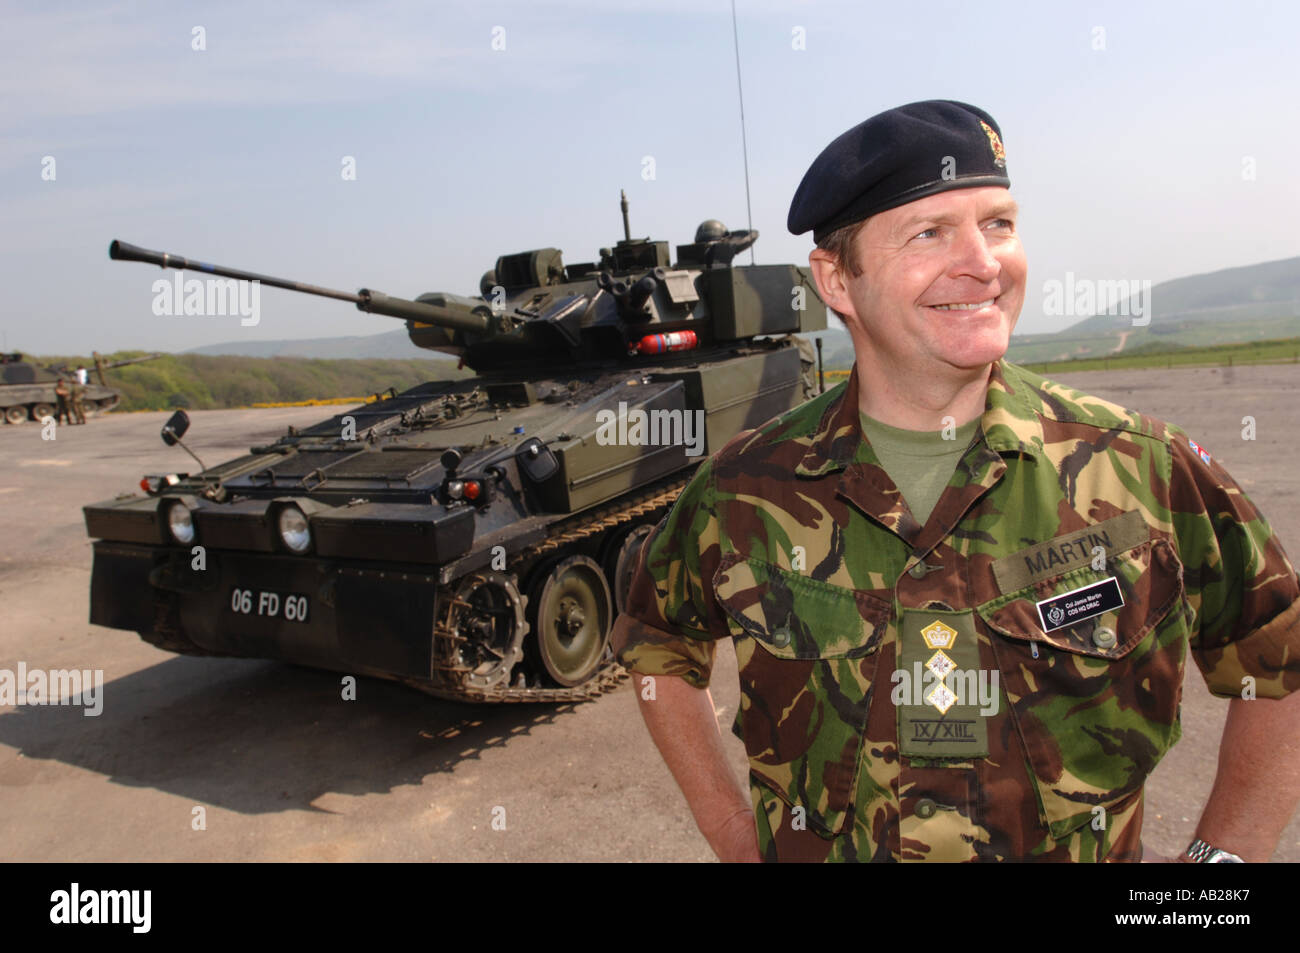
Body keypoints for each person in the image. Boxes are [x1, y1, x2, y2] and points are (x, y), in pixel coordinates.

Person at [611, 100, 1300, 863]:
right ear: (838, 279)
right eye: (930, 232)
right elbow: (657, 645)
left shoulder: (1143, 468)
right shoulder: (743, 489)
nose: (984, 261)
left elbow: (1282, 653)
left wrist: (1224, 862)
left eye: (999, 223)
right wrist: (733, 835)